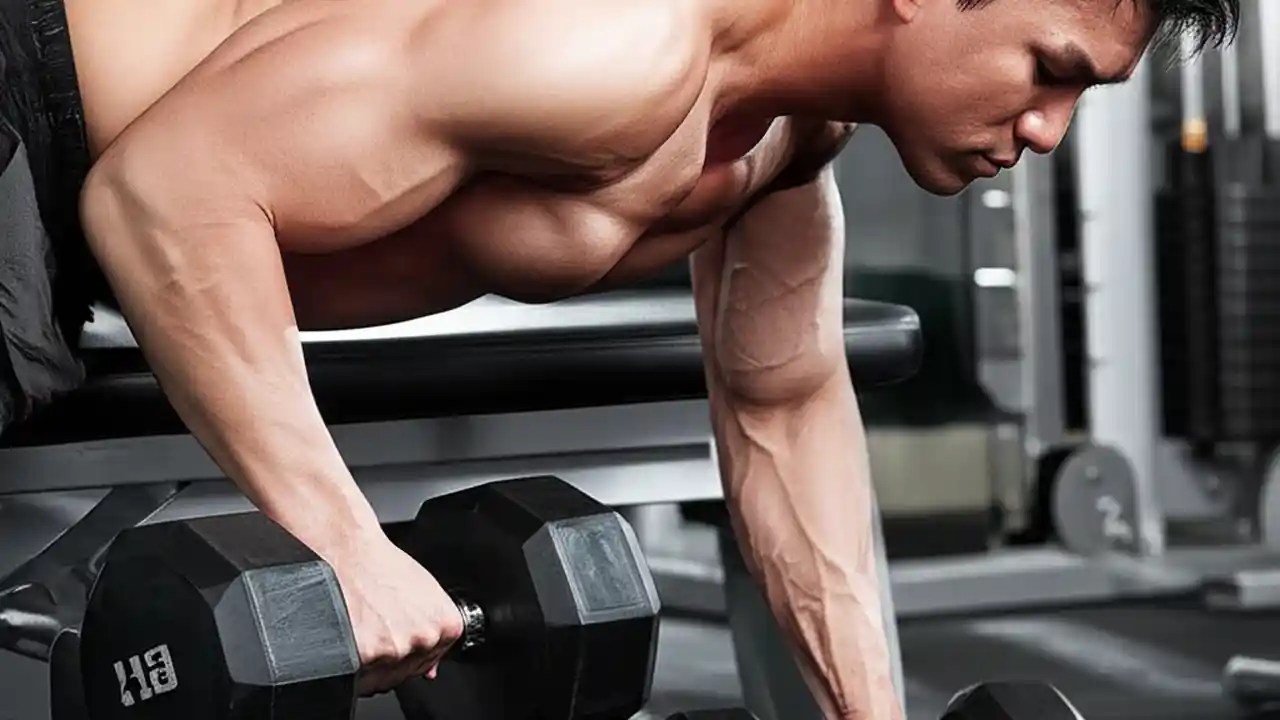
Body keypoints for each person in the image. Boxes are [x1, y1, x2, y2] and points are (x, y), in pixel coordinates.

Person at [0, 0, 1238, 714]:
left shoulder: (789, 146)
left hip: (92, 203)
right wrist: (346, 541)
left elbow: (783, 408)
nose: (1045, 129)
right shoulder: (611, 42)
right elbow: (166, 191)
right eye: (1049, 71)